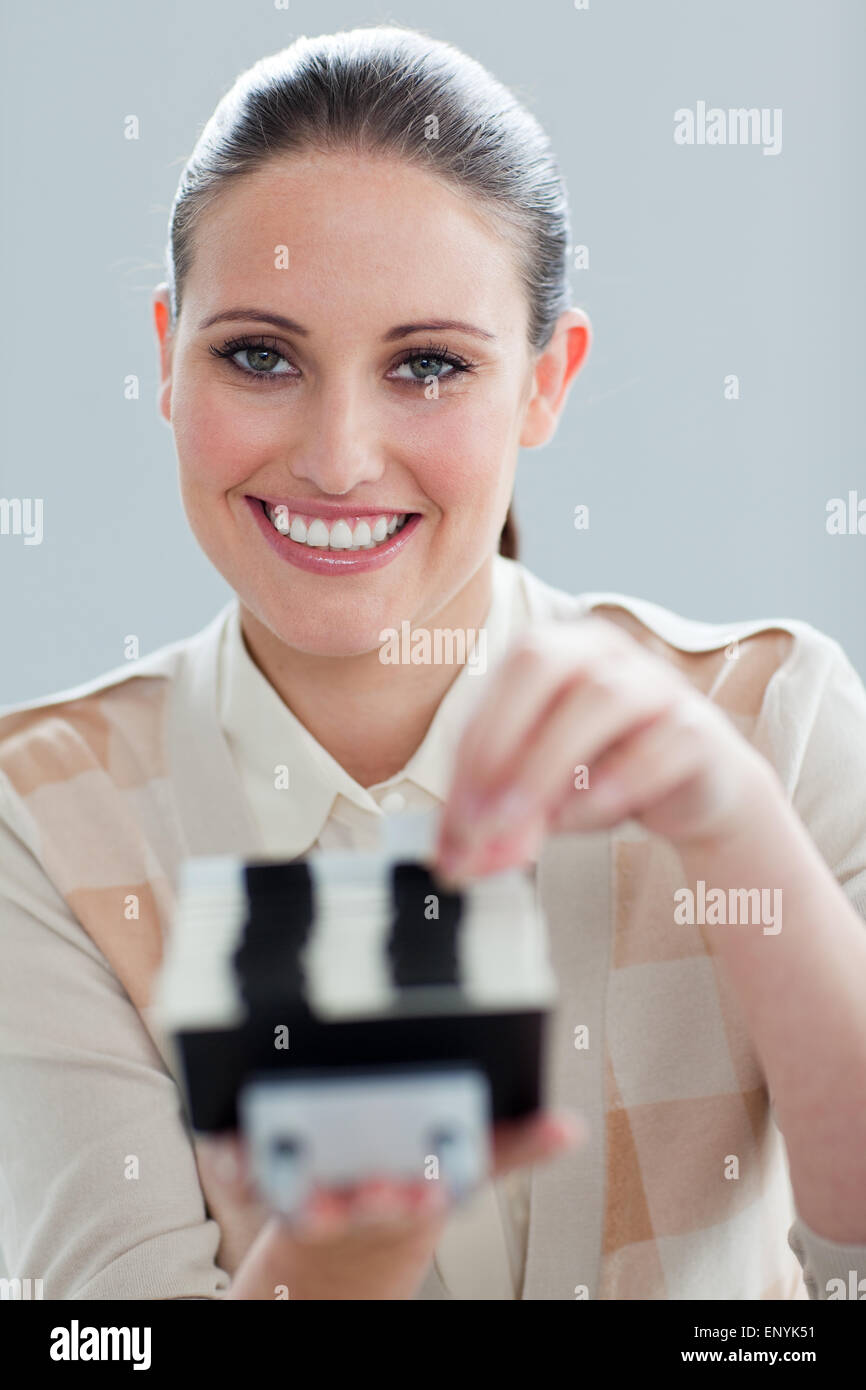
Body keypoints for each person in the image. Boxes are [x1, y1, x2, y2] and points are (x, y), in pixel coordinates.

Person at [1, 23, 865, 1302]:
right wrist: (343, 1252)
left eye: (427, 366)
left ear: (543, 382)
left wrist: (738, 829)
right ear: (166, 359)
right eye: (258, 354)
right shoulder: (40, 816)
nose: (339, 455)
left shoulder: (770, 713)